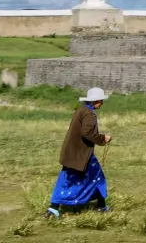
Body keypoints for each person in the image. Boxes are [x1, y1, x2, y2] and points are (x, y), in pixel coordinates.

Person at [45, 87, 113, 218]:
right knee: (97, 177)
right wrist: (103, 138)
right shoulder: (89, 114)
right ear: (95, 101)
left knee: (67, 178)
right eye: (101, 101)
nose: (102, 104)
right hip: (82, 155)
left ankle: (53, 208)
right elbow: (87, 133)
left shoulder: (80, 111)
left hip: (72, 153)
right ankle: (101, 206)